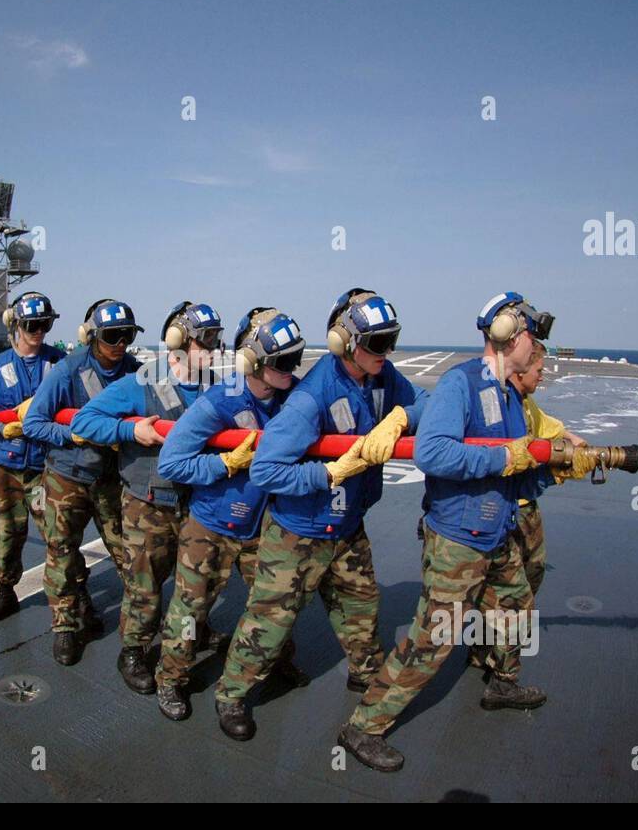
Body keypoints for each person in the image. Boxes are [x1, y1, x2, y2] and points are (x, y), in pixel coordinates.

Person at [338, 292, 563, 773]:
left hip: (496, 532)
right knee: (433, 640)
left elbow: (514, 470)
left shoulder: (510, 395)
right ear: (506, 335)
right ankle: (363, 727)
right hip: (458, 541)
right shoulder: (460, 384)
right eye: (530, 335)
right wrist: (505, 457)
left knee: (515, 606)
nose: (535, 346)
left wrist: (552, 469)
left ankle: (501, 681)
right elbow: (433, 453)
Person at [214, 289, 429, 742]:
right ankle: (231, 693)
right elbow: (269, 469)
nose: (386, 352)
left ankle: (365, 673)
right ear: (344, 344)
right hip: (298, 532)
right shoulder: (311, 398)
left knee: (362, 609)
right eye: (377, 344)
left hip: (348, 526)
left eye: (391, 341)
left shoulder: (384, 377)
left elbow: (427, 403)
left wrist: (401, 418)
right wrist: (327, 474)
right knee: (269, 623)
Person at [153, 307, 310, 720]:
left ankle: (269, 664)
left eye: (296, 359)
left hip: (263, 525)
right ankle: (171, 678)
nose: (292, 370)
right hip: (211, 525)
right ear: (254, 363)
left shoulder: (294, 397)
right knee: (190, 610)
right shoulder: (218, 402)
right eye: (283, 362)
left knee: (274, 607)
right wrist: (223, 465)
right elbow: (171, 463)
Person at [70, 301, 222, 693]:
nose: (214, 348)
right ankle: (134, 651)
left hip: (197, 504)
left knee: (197, 585)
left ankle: (193, 634)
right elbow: (84, 420)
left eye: (216, 339)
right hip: (148, 504)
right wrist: (131, 433)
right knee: (145, 585)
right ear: (178, 342)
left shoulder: (216, 387)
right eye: (206, 340)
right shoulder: (141, 382)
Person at [22, 299, 143, 666]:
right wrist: (72, 436)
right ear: (92, 337)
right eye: (112, 336)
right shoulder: (67, 371)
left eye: (126, 335)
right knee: (61, 554)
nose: (120, 343)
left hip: (111, 480)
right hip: (67, 479)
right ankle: (65, 628)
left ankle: (137, 637)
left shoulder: (136, 373)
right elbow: (34, 424)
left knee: (129, 556)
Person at [467, 338, 588, 672]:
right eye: (538, 369)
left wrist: (576, 444)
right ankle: (495, 662)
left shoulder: (526, 404)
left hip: (526, 508)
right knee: (507, 591)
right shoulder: (498, 405)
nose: (542, 375)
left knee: (530, 576)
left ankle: (490, 647)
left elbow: (548, 428)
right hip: (505, 509)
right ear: (519, 370)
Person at [0, 292, 66, 624]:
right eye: (32, 326)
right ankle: (6, 593)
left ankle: (67, 604)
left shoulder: (60, 364)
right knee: (6, 534)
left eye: (44, 325)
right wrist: (0, 429)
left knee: (57, 534)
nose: (38, 332)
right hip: (5, 470)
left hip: (43, 470)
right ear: (17, 326)